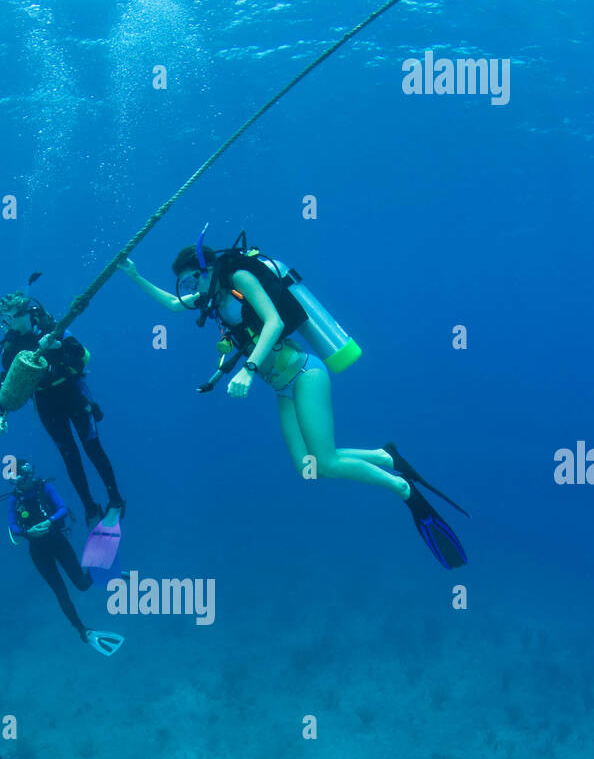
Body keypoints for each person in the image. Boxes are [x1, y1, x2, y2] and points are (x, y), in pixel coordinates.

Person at [118, 233, 468, 569]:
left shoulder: (239, 277)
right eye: (188, 285)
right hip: (281, 388)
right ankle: (384, 456)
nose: (192, 289)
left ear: (207, 268)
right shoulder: (215, 298)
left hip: (304, 375)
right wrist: (134, 276)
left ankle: (401, 487)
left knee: (326, 462)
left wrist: (248, 370)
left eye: (193, 279)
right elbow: (172, 305)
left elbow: (274, 321)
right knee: (309, 469)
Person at [0, 290, 125, 529]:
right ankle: (89, 506)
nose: (7, 327)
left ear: (25, 313)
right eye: (2, 321)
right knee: (70, 457)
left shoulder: (50, 327)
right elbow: (8, 387)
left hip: (72, 393)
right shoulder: (11, 347)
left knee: (92, 449)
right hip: (47, 404)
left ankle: (115, 499)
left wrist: (57, 345)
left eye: (10, 319)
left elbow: (81, 355)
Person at [6, 459, 123, 656]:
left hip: (57, 542)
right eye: (15, 482)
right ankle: (83, 630)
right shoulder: (14, 500)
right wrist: (28, 531)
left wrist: (48, 522)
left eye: (22, 479)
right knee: (60, 592)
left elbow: (61, 508)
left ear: (29, 475)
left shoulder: (45, 488)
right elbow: (12, 526)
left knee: (82, 584)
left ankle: (105, 568)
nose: (20, 485)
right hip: (37, 551)